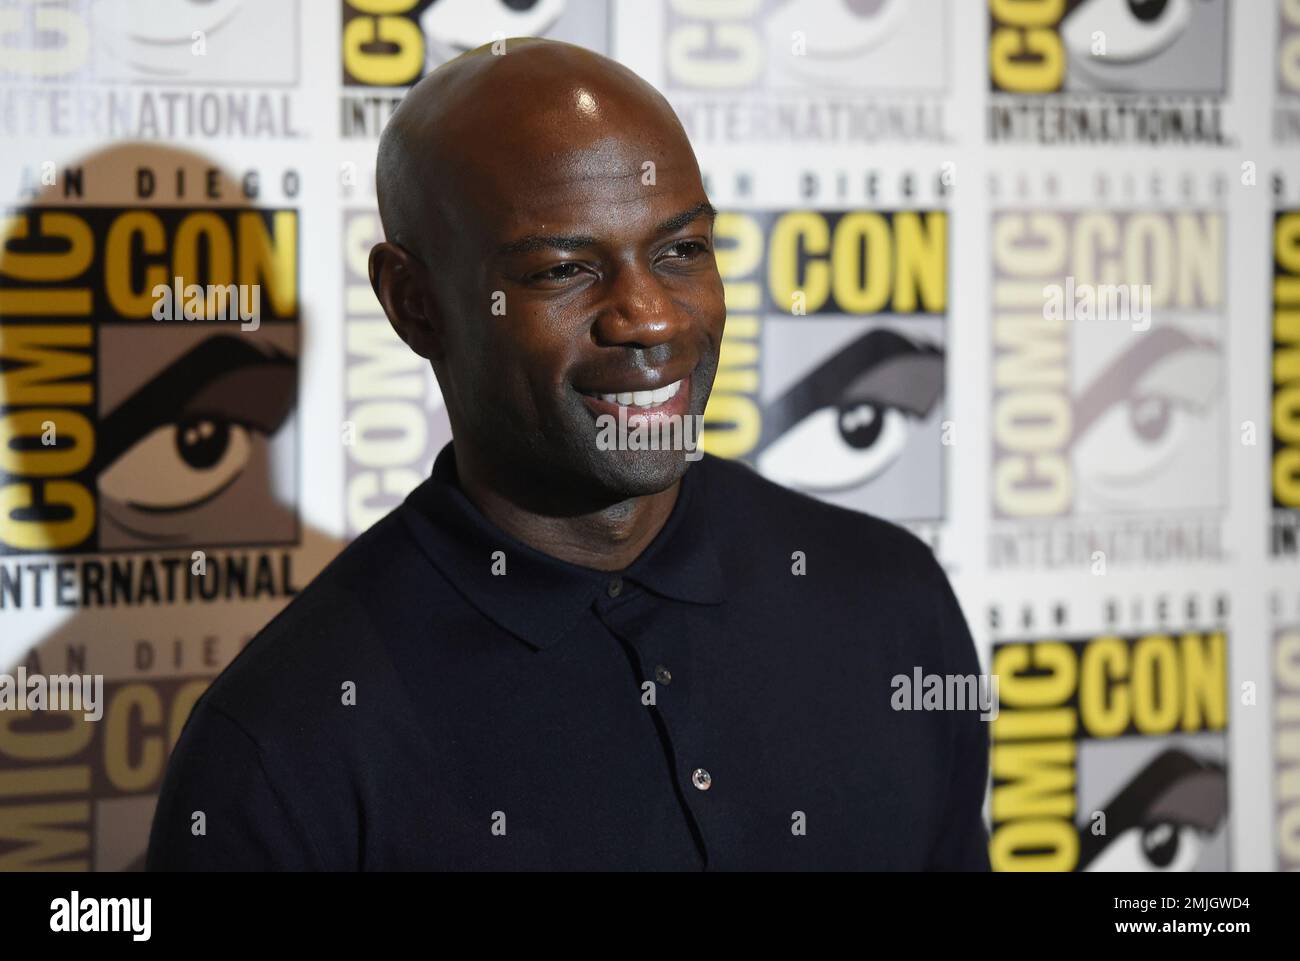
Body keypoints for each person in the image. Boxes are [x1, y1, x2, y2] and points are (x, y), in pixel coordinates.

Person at [147, 37, 990, 871]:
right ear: (414, 303)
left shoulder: (892, 601)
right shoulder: (284, 743)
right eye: (562, 270)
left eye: (681, 251)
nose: (651, 317)